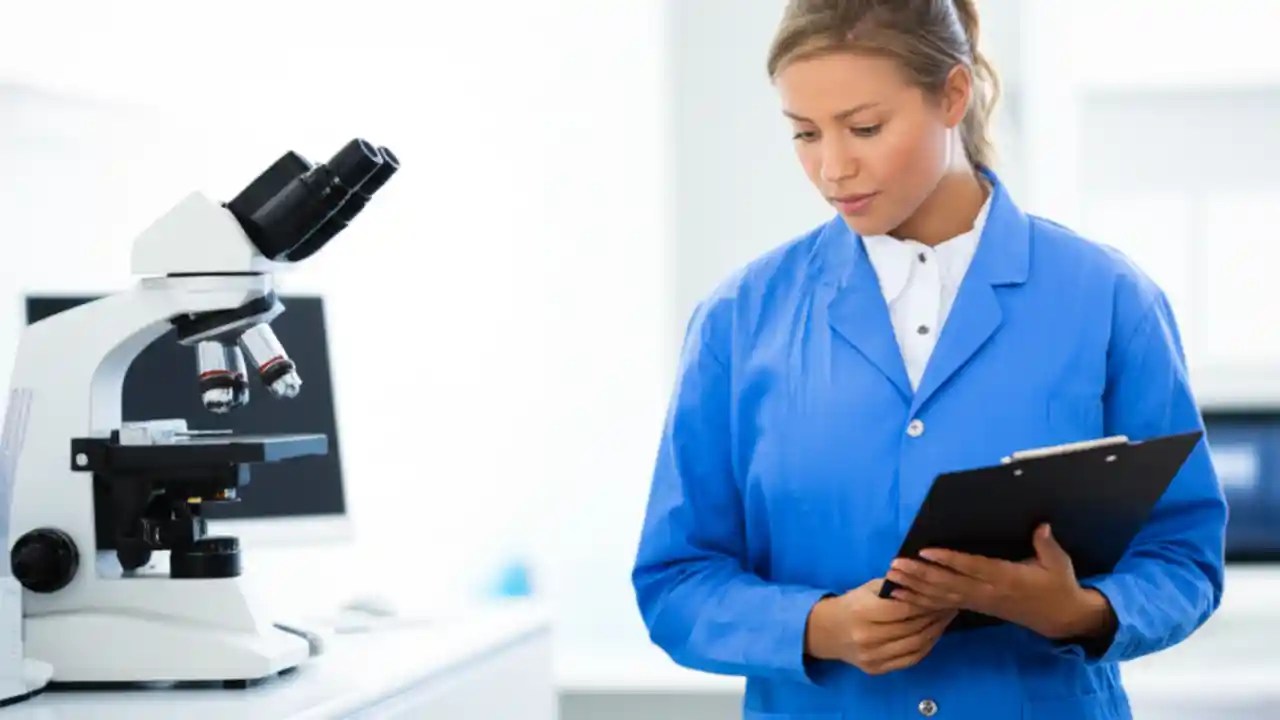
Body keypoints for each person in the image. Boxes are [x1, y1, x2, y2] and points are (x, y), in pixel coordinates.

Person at [630, 1, 1228, 718]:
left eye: (865, 128)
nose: (832, 167)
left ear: (952, 95)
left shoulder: (1108, 299)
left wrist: (1079, 610)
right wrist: (819, 628)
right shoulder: (737, 321)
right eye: (804, 133)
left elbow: (1184, 555)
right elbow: (676, 580)